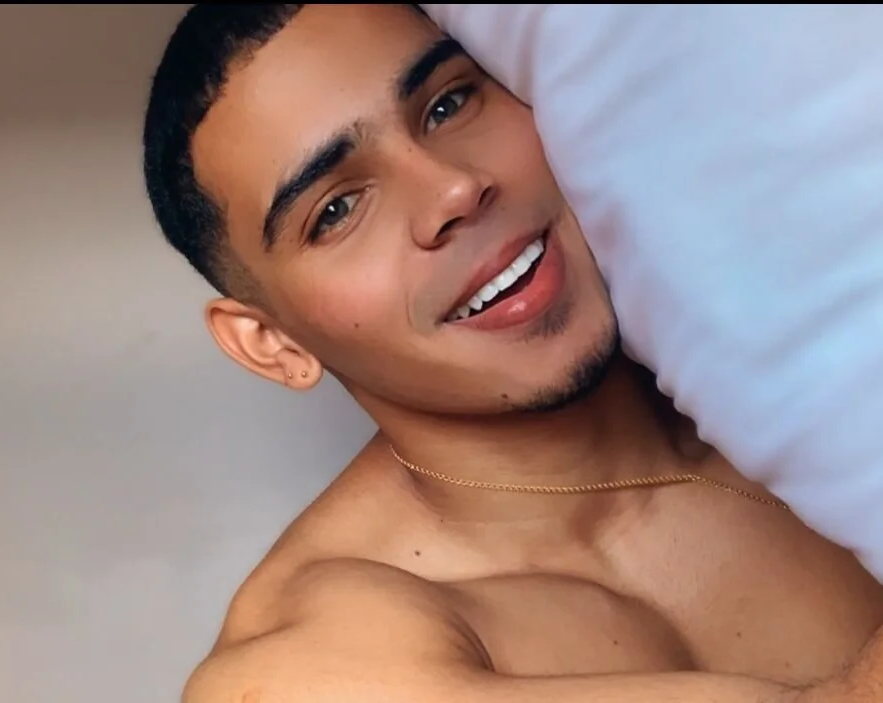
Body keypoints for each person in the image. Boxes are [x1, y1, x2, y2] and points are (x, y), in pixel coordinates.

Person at [142, 5, 883, 702]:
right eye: (336, 209)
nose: (454, 189)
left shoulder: (812, 332)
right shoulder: (298, 666)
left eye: (447, 105)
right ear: (271, 345)